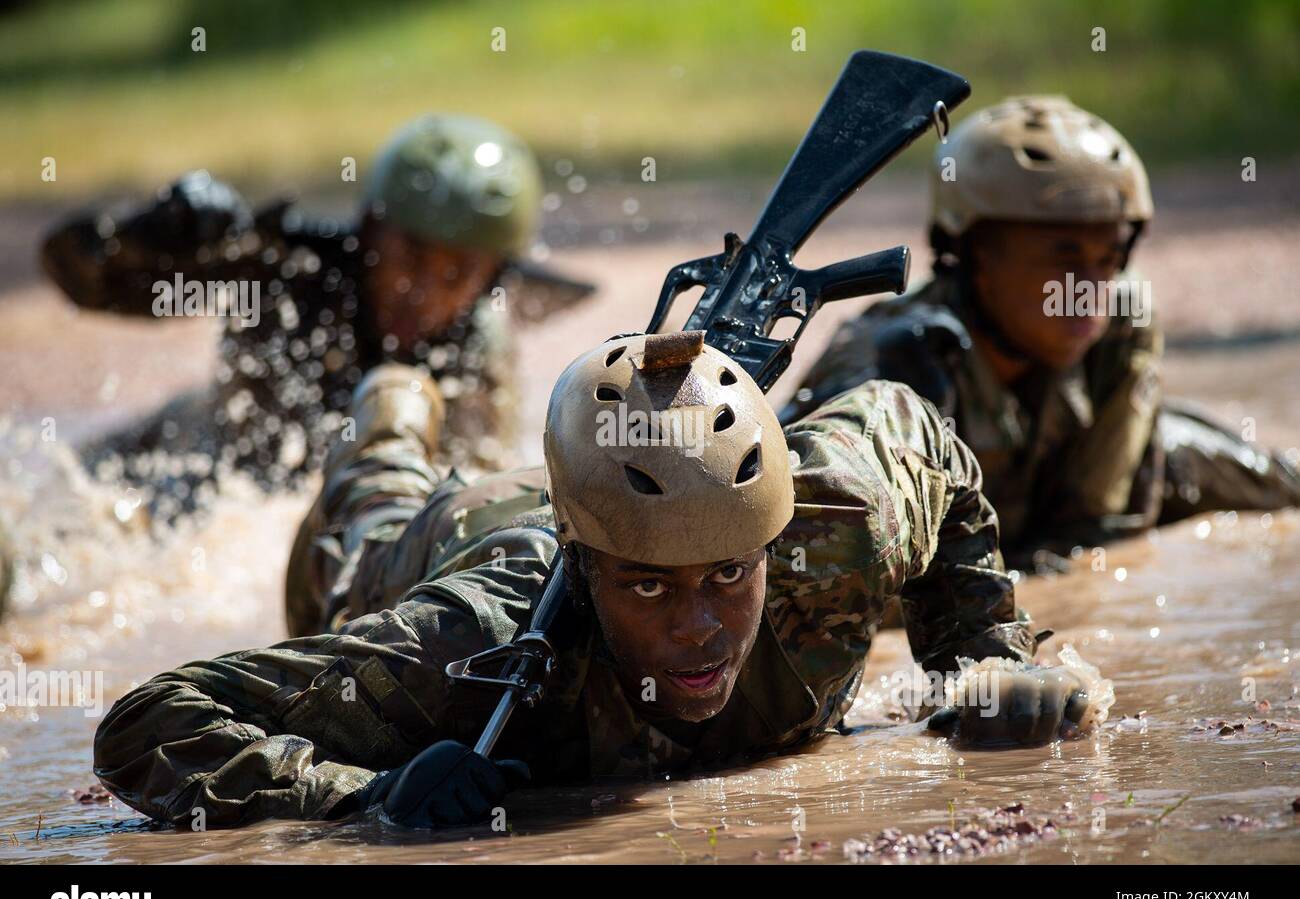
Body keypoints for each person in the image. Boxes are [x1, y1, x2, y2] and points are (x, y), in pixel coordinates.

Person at [93, 332, 1104, 830]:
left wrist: (979, 658)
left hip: (600, 486)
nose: (702, 628)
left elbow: (925, 435)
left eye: (728, 574)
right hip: (461, 532)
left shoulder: (840, 523)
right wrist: (363, 796)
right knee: (374, 504)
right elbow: (150, 720)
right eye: (649, 589)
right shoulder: (467, 646)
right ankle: (395, 400)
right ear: (587, 569)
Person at [782, 96, 1300, 570]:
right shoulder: (891, 363)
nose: (1090, 289)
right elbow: (814, 548)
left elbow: (1101, 521)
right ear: (976, 254)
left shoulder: (1122, 320)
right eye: (1064, 259)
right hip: (948, 556)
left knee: (1278, 485)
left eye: (1110, 258)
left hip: (1081, 496)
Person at [41, 114, 592, 520]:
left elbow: (476, 505)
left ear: (492, 280)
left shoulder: (478, 352)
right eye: (411, 258)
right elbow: (83, 281)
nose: (420, 292)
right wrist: (140, 241)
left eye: (455, 275)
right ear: (371, 231)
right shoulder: (288, 270)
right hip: (180, 461)